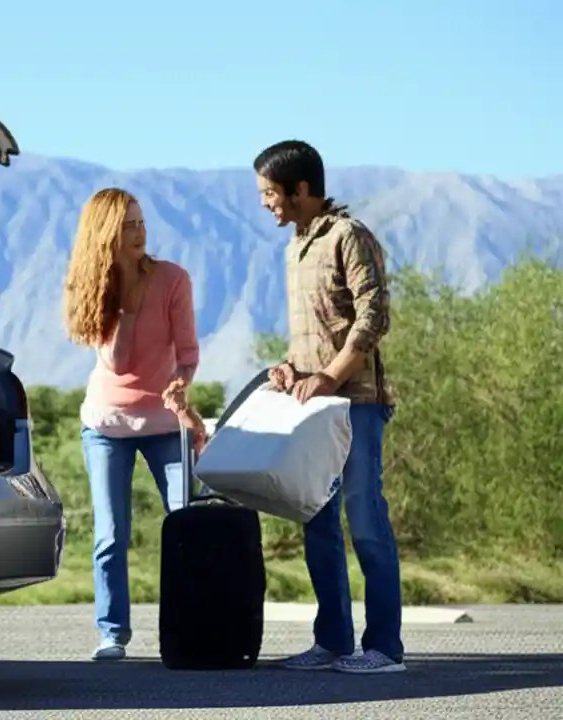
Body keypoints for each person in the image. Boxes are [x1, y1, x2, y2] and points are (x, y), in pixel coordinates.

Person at [253, 140, 406, 674]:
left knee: (366, 521)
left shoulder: (349, 236)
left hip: (356, 404)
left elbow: (373, 317)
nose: (266, 203)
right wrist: (292, 371)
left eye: (271, 193)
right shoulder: (294, 246)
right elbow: (315, 332)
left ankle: (385, 648)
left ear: (301, 190)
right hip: (312, 407)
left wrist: (329, 377)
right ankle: (333, 642)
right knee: (317, 522)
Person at [62, 187, 205, 661]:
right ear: (106, 233)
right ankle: (112, 633)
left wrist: (181, 383)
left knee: (186, 522)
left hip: (164, 421)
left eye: (141, 222)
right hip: (107, 424)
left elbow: (187, 353)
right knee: (111, 534)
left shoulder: (174, 279)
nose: (139, 232)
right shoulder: (90, 287)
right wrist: (126, 298)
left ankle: (190, 625)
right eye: (127, 225)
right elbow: (120, 364)